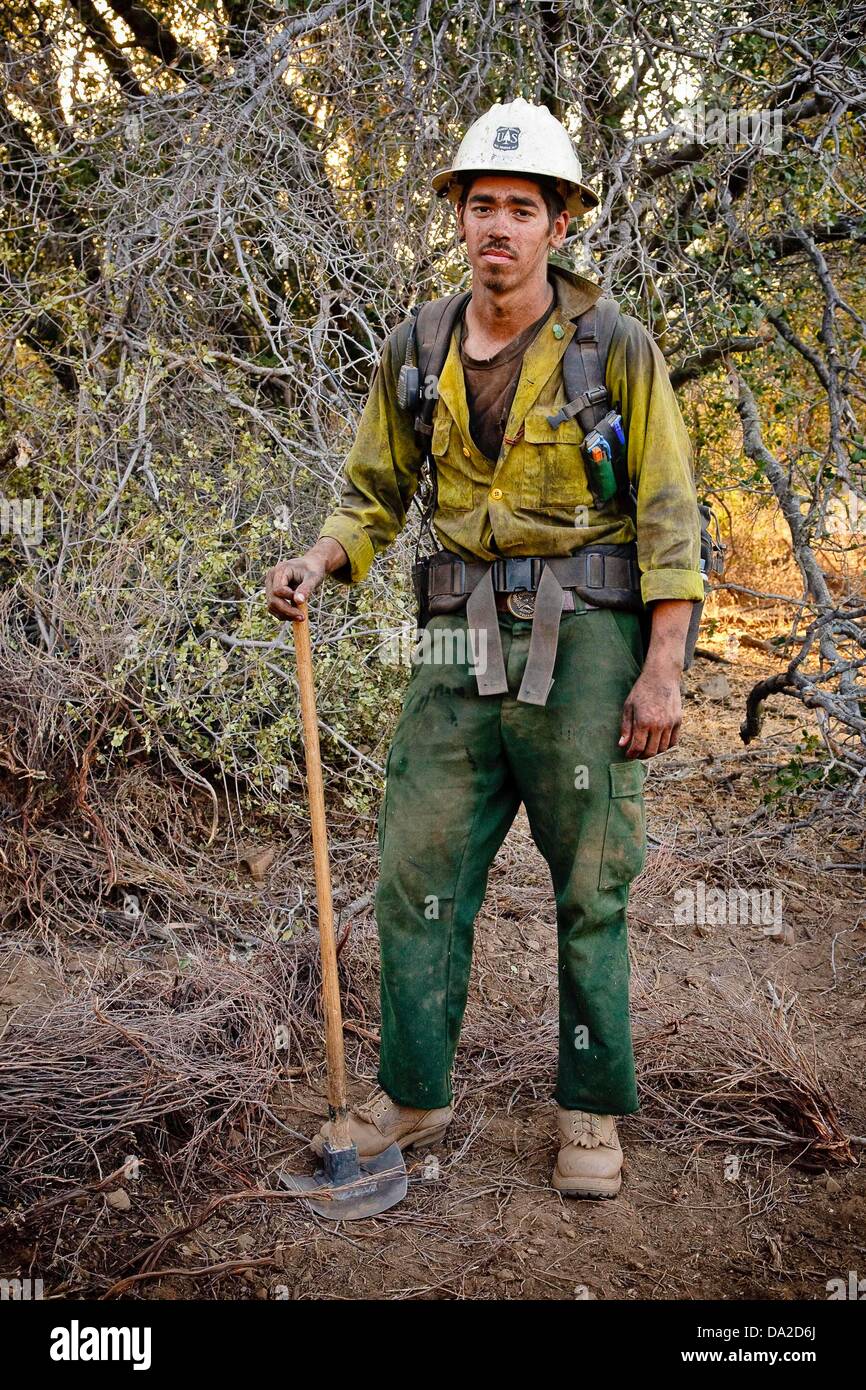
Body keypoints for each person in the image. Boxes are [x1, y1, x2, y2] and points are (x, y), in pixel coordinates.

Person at [265, 98, 704, 1198]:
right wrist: (321, 557)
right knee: (416, 865)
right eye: (479, 206)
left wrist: (661, 668)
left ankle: (591, 1109)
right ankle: (414, 1088)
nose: (496, 226)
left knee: (590, 884)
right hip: (455, 641)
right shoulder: (417, 348)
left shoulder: (618, 351)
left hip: (589, 642)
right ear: (456, 220)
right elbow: (372, 491)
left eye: (521, 207)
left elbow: (667, 519)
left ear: (558, 224)